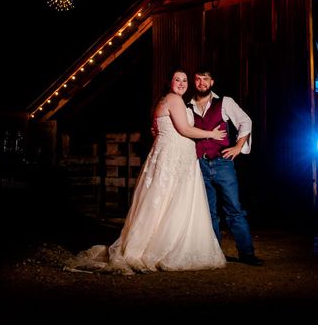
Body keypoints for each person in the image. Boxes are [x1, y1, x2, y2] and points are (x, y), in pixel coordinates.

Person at [65, 70, 228, 274]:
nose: (181, 83)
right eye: (177, 79)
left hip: (173, 156)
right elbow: (185, 130)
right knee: (171, 200)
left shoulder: (166, 101)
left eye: (185, 80)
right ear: (169, 82)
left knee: (164, 200)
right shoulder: (173, 99)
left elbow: (159, 129)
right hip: (174, 158)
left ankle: (155, 242)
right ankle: (164, 246)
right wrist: (210, 134)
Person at [189, 66, 264, 266]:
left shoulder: (224, 102)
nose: (201, 83)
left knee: (234, 209)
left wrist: (238, 147)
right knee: (208, 212)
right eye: (197, 79)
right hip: (199, 165)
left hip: (223, 163)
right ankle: (215, 254)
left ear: (212, 82)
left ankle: (247, 254)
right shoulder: (187, 107)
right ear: (193, 82)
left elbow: (245, 122)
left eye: (205, 79)